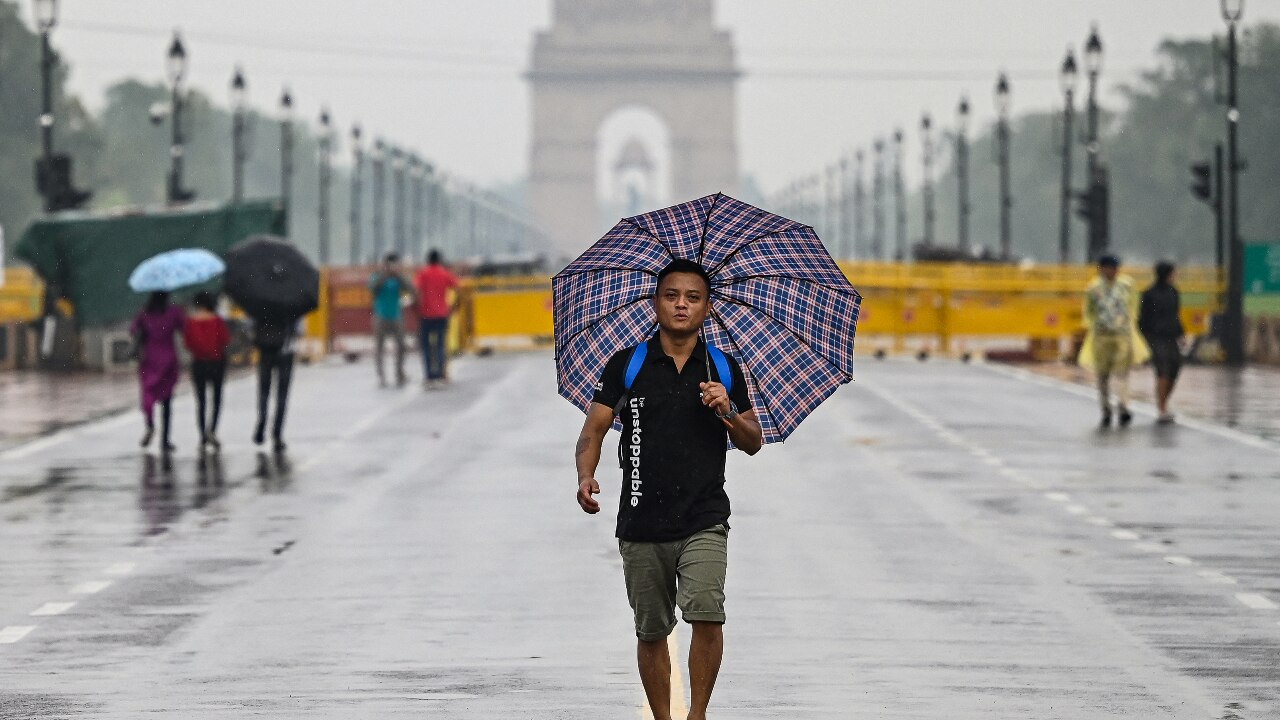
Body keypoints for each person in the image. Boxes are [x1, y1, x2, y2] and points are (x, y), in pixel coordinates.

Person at [573, 259, 763, 720]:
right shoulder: (628, 364)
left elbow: (753, 441)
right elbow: (593, 430)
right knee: (651, 630)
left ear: (707, 308)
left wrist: (728, 410)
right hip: (641, 517)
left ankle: (697, 714)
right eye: (672, 295)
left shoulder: (722, 367)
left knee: (706, 613)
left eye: (693, 298)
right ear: (656, 302)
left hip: (704, 516)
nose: (681, 305)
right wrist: (585, 475)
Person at [1080, 255, 1149, 428]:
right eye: (1109, 268)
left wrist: (1131, 321)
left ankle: (1123, 405)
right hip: (1101, 336)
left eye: (1115, 268)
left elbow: (1134, 304)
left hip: (1122, 334)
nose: (1112, 271)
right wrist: (1092, 325)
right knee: (1102, 374)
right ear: (1101, 269)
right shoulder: (1093, 288)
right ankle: (1106, 408)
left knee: (1122, 372)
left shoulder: (1126, 285)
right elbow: (1088, 311)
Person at [130, 291, 185, 452]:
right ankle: (165, 440)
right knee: (167, 401)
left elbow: (133, 330)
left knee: (148, 392)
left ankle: (150, 425)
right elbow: (184, 328)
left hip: (149, 359)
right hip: (168, 359)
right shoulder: (173, 312)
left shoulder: (144, 313)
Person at [1139, 261, 1186, 424]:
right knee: (1162, 370)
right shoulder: (1149, 294)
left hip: (1172, 336)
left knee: (1175, 367)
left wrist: (1181, 334)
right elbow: (1143, 318)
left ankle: (1164, 401)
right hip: (1155, 337)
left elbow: (1176, 315)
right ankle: (1162, 407)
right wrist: (1144, 338)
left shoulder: (1174, 292)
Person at [184, 291, 231, 451]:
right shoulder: (217, 321)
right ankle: (213, 430)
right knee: (216, 398)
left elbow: (188, 343)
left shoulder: (191, 322)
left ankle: (202, 435)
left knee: (201, 401)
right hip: (217, 363)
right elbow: (225, 339)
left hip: (199, 363)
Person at [251, 316, 299, 452]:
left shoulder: (262, 302)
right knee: (282, 395)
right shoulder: (291, 303)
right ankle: (277, 434)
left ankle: (262, 420)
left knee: (263, 391)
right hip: (285, 351)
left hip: (265, 351)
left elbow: (251, 325)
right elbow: (299, 329)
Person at [414, 249, 459, 389]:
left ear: (427, 260)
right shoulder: (444, 273)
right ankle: (440, 374)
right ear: (439, 260)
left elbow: (415, 289)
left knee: (427, 347)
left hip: (426, 315)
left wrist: (417, 307)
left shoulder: (423, 273)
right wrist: (454, 306)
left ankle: (429, 376)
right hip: (442, 314)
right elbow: (458, 286)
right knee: (440, 345)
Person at [369, 251, 413, 387]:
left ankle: (399, 373)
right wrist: (385, 275)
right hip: (380, 316)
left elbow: (411, 289)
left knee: (401, 346)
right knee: (379, 348)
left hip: (396, 316)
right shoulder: (377, 276)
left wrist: (398, 276)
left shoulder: (399, 278)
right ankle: (381, 376)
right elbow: (373, 289)